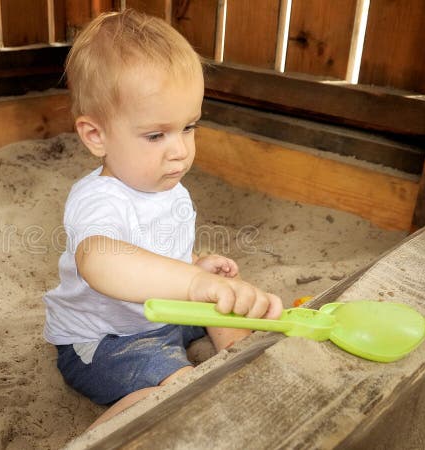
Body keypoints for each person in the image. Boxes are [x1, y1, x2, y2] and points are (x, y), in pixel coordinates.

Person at [43, 9, 283, 429]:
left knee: (229, 311)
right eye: (156, 135)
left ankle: (247, 369)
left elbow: (161, 253)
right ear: (95, 136)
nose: (180, 151)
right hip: (108, 340)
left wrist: (194, 267)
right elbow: (102, 261)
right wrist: (192, 283)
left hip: (165, 315)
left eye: (188, 127)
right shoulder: (99, 199)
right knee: (177, 391)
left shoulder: (169, 187)